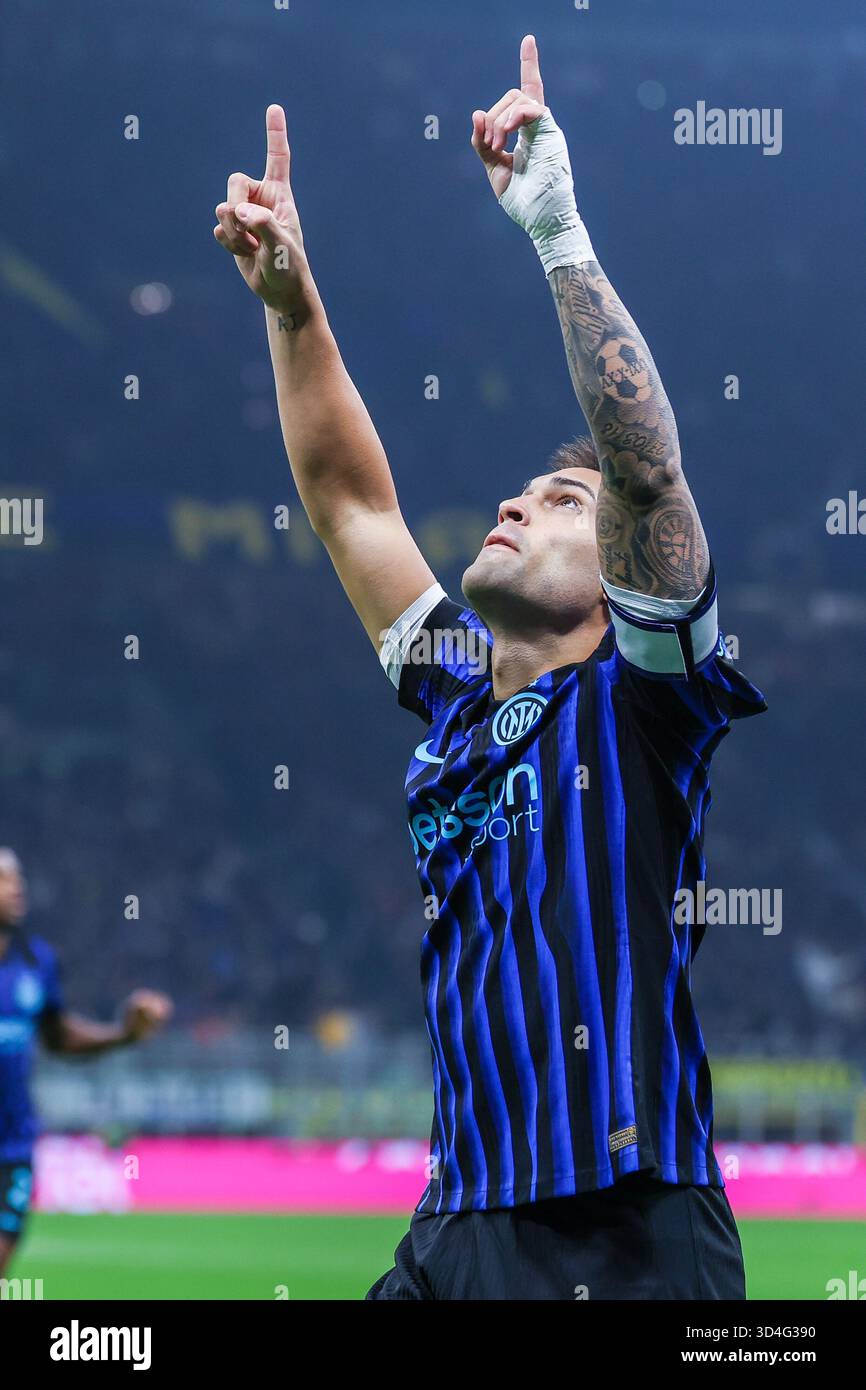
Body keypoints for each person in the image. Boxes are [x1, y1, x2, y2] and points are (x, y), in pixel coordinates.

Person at [214, 34, 766, 1299]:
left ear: (617, 569)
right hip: (457, 1219)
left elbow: (646, 473)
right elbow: (352, 503)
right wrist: (293, 305)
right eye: (518, 491)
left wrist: (556, 230)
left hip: (621, 1233)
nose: (516, 506)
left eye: (557, 502)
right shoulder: (462, 687)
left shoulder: (642, 704)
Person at [0, 848, 172, 1275]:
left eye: (18, 877)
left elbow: (58, 1039)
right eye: (4, 879)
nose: (18, 887)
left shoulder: (37, 962)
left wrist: (125, 1033)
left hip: (12, 1147)